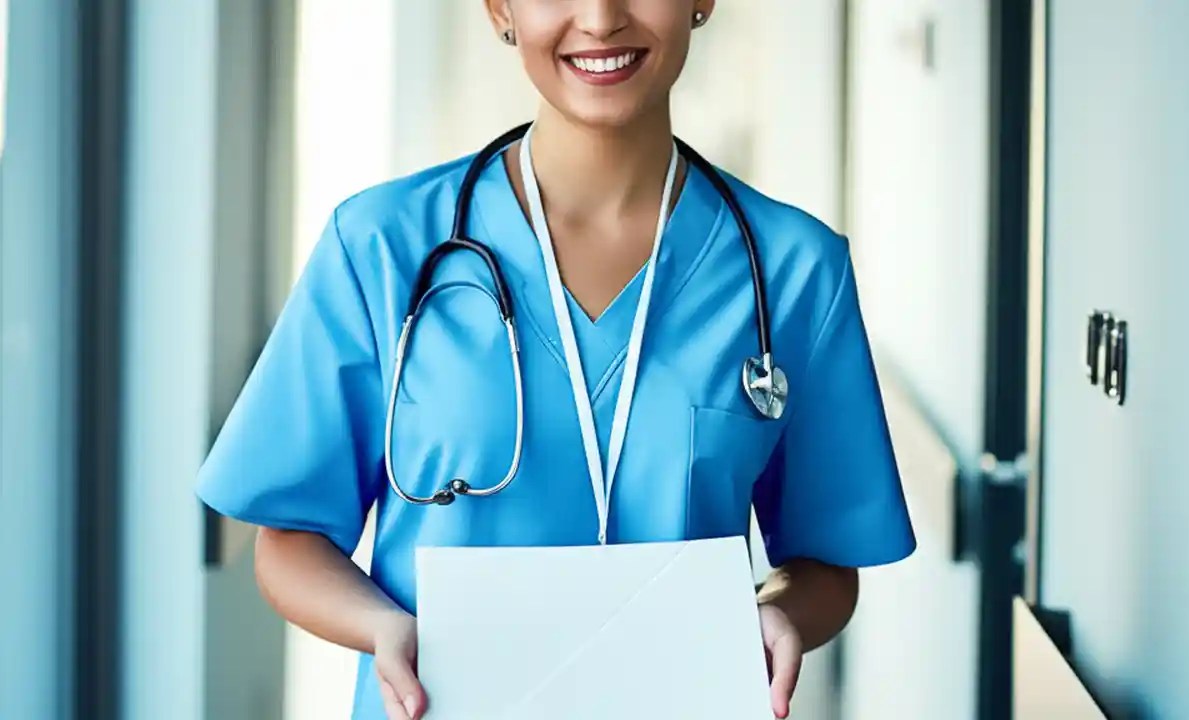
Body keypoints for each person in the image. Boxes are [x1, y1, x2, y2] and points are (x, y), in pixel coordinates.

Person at [196, 1, 916, 718]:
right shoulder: (380, 248)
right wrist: (386, 630)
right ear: (499, 9)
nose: (600, 18)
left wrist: (773, 614)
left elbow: (826, 559)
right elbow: (288, 538)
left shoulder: (795, 270)